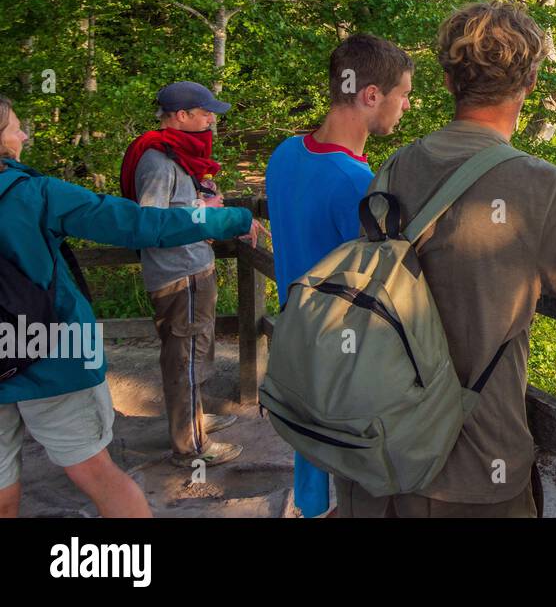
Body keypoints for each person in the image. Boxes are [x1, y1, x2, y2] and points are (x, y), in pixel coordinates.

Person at [334, 1, 556, 518]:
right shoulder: (543, 189)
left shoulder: (396, 165)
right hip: (475, 469)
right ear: (532, 81)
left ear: (451, 82)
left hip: (381, 453)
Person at [0, 94, 255, 517]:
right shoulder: (34, 194)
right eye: (14, 126)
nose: (24, 133)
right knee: (99, 475)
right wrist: (231, 219)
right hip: (52, 357)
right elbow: (141, 223)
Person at [265, 34, 413, 518]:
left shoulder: (285, 154)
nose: (406, 106)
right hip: (343, 349)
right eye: (403, 94)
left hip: (294, 333)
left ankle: (309, 510)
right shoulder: (355, 183)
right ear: (371, 95)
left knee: (309, 447)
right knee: (356, 468)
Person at [120, 81, 263, 469]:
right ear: (181, 116)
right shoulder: (157, 160)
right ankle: (190, 447)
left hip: (193, 270)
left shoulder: (175, 155)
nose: (211, 119)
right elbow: (152, 222)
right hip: (177, 275)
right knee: (183, 358)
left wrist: (204, 203)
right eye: (204, 112)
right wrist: (213, 215)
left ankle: (194, 420)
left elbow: (178, 208)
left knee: (196, 353)